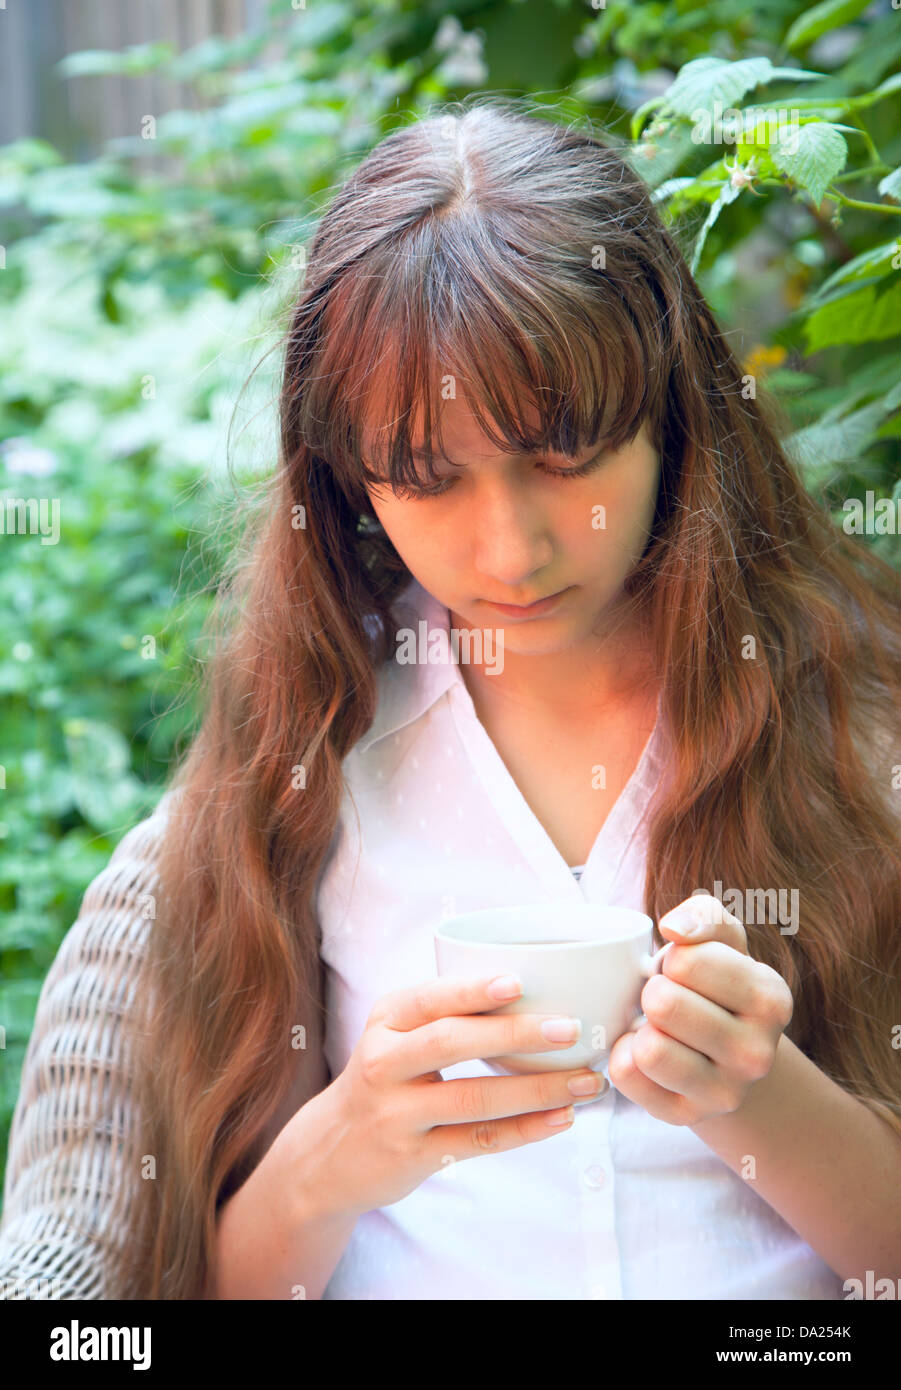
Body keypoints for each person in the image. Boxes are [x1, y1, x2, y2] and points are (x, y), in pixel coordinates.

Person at [1, 97, 899, 1302]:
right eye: (426, 478)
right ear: (349, 478)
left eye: (564, 457)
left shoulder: (855, 741)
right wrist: (344, 1147)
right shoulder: (309, 771)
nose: (512, 550)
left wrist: (762, 1095)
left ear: (673, 414)